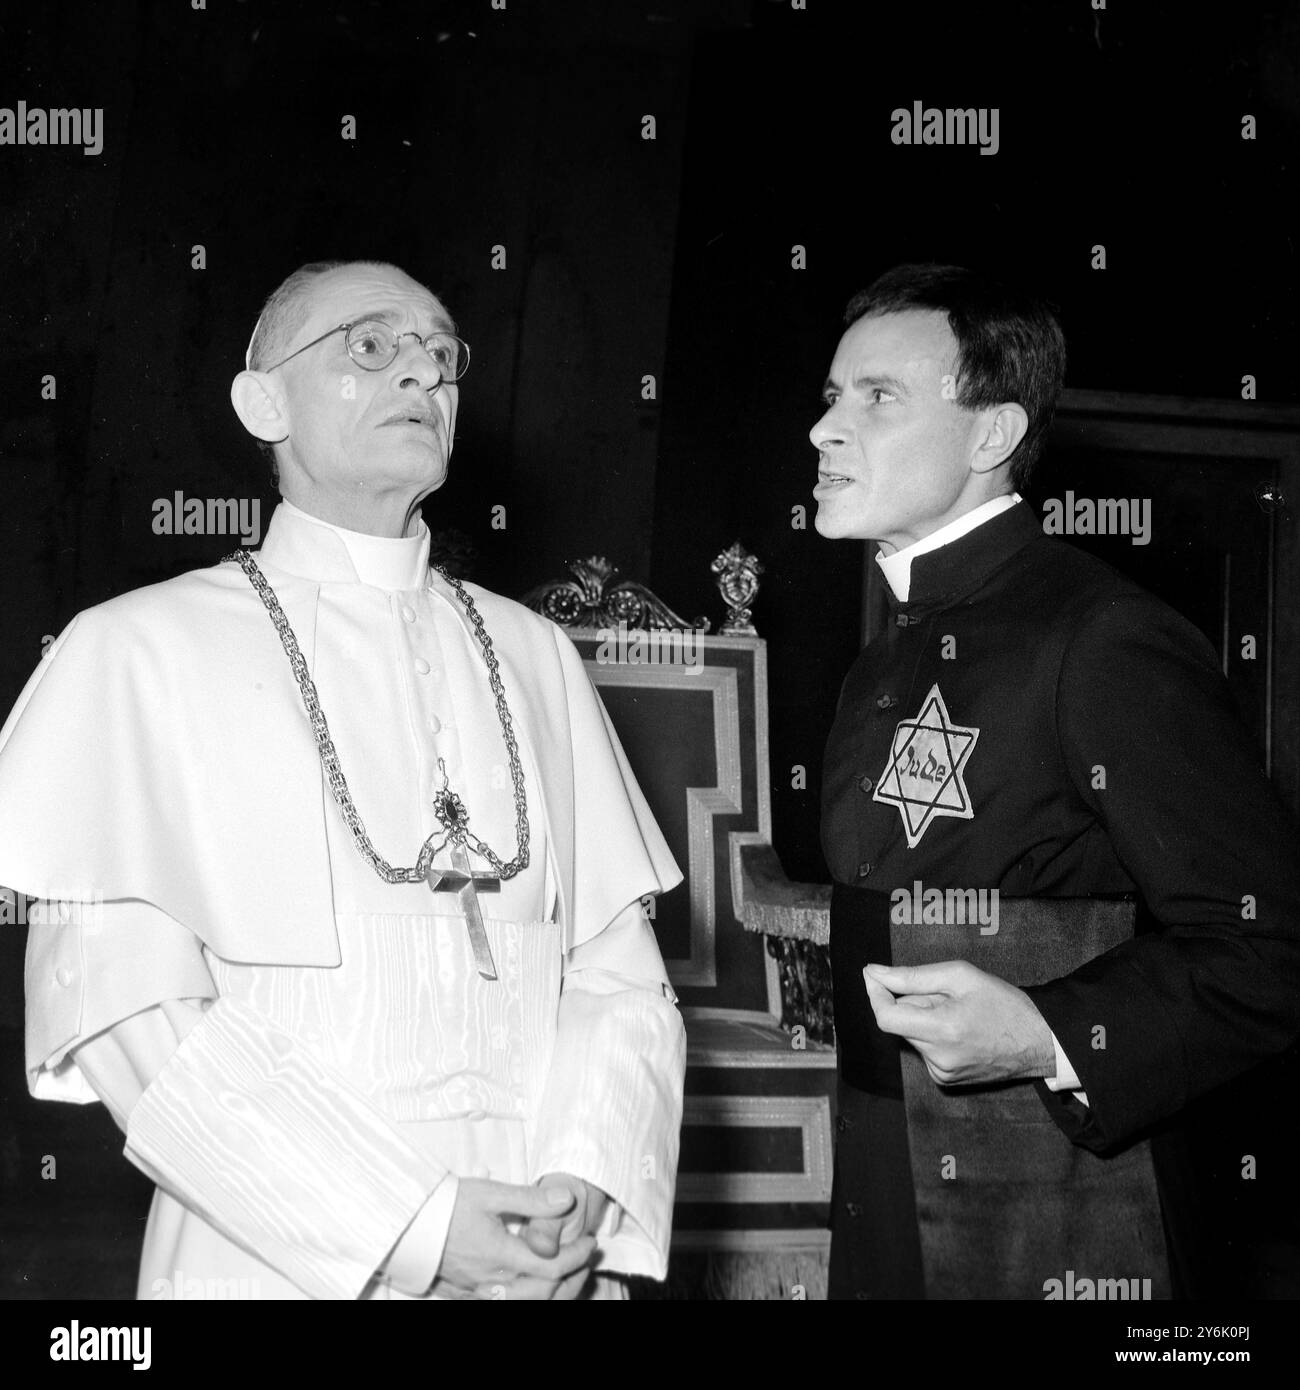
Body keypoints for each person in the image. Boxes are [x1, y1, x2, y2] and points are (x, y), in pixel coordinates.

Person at [0, 259, 686, 1301]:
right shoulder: (135, 651)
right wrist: (414, 1228)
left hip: (536, 1257)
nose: (422, 374)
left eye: (441, 355)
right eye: (371, 346)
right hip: (272, 1254)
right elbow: (126, 1014)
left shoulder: (536, 653)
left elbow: (616, 976)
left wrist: (576, 1189)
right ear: (262, 400)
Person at [810, 262, 1300, 1300]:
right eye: (831, 396)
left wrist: (1044, 1031)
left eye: (877, 397)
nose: (824, 429)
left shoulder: (1101, 635)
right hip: (881, 1165)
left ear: (990, 436)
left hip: (1047, 1194)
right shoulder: (883, 649)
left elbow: (1270, 946)